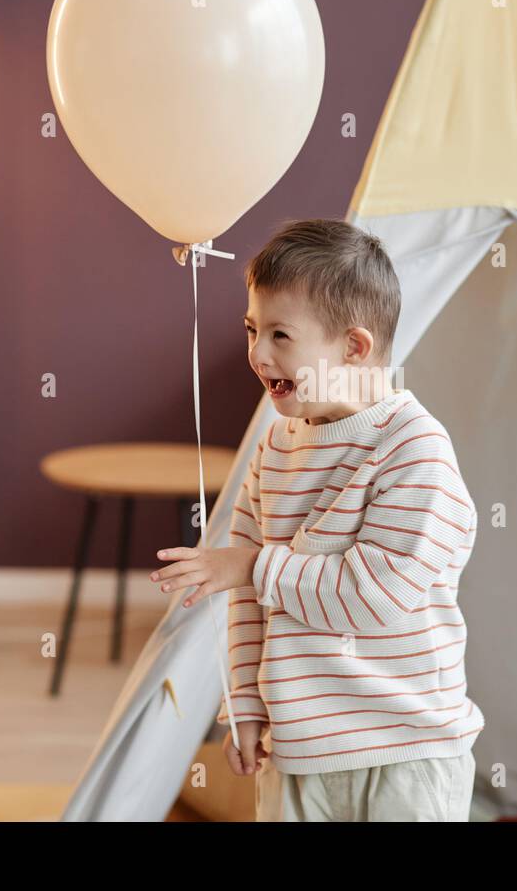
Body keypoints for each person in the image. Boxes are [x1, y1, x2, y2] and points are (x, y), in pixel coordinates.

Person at [152, 218, 483, 821]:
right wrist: (246, 704)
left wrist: (250, 566)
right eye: (253, 329)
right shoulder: (275, 448)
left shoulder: (415, 448)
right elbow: (249, 599)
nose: (257, 353)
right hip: (299, 753)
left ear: (353, 348)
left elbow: (374, 596)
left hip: (403, 752)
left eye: (280, 335)